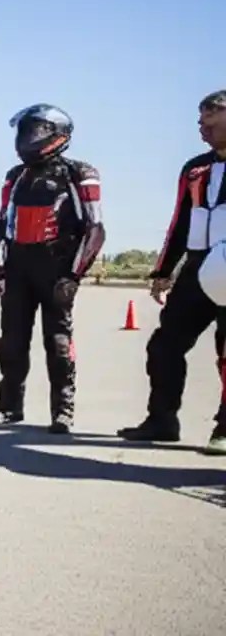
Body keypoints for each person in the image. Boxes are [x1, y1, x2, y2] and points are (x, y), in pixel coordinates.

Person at [0, 103, 105, 434]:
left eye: (34, 130)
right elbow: (1, 224)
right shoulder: (14, 176)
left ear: (57, 134)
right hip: (19, 265)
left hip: (57, 267)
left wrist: (74, 276)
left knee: (59, 341)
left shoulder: (80, 172)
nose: (26, 138)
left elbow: (95, 228)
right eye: (24, 130)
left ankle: (63, 411)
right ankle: (8, 406)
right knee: (11, 341)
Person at [116, 89, 226, 454]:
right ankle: (162, 420)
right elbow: (180, 221)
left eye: (210, 119)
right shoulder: (196, 168)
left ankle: (223, 428)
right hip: (197, 267)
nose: (202, 127)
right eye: (200, 120)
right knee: (164, 345)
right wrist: (163, 271)